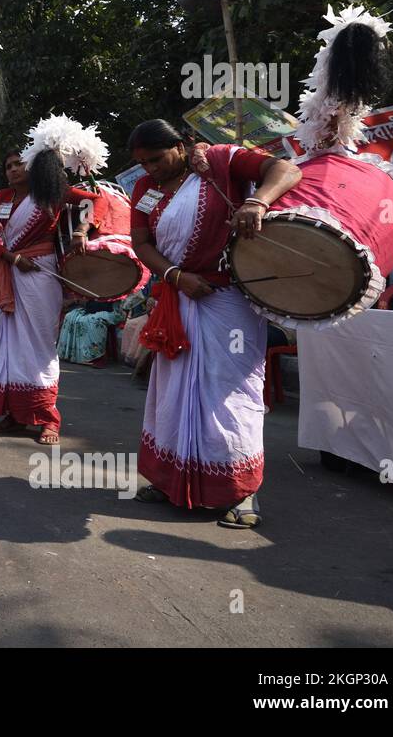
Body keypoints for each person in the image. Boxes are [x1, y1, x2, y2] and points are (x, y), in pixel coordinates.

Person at [128, 118, 301, 528]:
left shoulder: (221, 161)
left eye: (156, 158)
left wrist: (258, 202)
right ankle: (170, 480)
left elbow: (287, 169)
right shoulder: (144, 189)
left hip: (228, 300)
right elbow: (141, 243)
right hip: (178, 296)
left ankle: (241, 492)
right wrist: (175, 277)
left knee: (231, 393)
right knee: (172, 394)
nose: (150, 169)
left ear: (183, 144)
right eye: (142, 163)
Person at [0, 147, 98, 445]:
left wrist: (81, 231)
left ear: (33, 167)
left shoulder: (51, 192)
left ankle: (47, 418)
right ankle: (15, 414)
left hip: (42, 273)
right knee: (8, 346)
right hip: (12, 270)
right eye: (8, 166)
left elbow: (92, 202)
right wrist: (12, 258)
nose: (13, 170)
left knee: (41, 345)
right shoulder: (2, 198)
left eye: (19, 164)